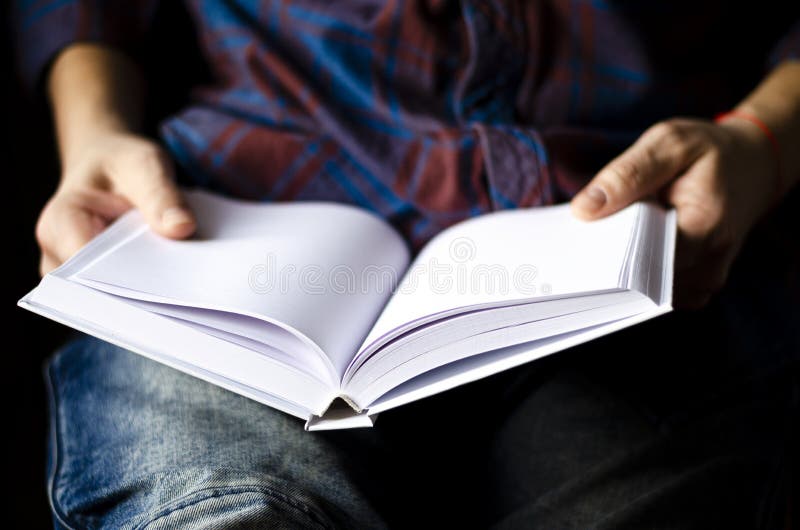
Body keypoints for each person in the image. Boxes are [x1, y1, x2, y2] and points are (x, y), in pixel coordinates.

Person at [15, 1, 800, 527]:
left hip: (618, 261)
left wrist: (765, 138)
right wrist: (93, 134)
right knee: (224, 512)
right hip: (228, 246)